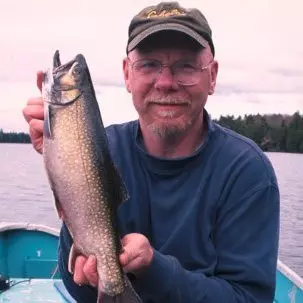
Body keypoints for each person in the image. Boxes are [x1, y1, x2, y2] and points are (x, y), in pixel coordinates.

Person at [22, 1, 280, 302]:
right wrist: (60, 164)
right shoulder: (103, 147)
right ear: (127, 74)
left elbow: (250, 298)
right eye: (148, 64)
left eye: (186, 65)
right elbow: (77, 284)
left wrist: (154, 269)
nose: (167, 82)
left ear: (212, 76)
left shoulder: (247, 171)